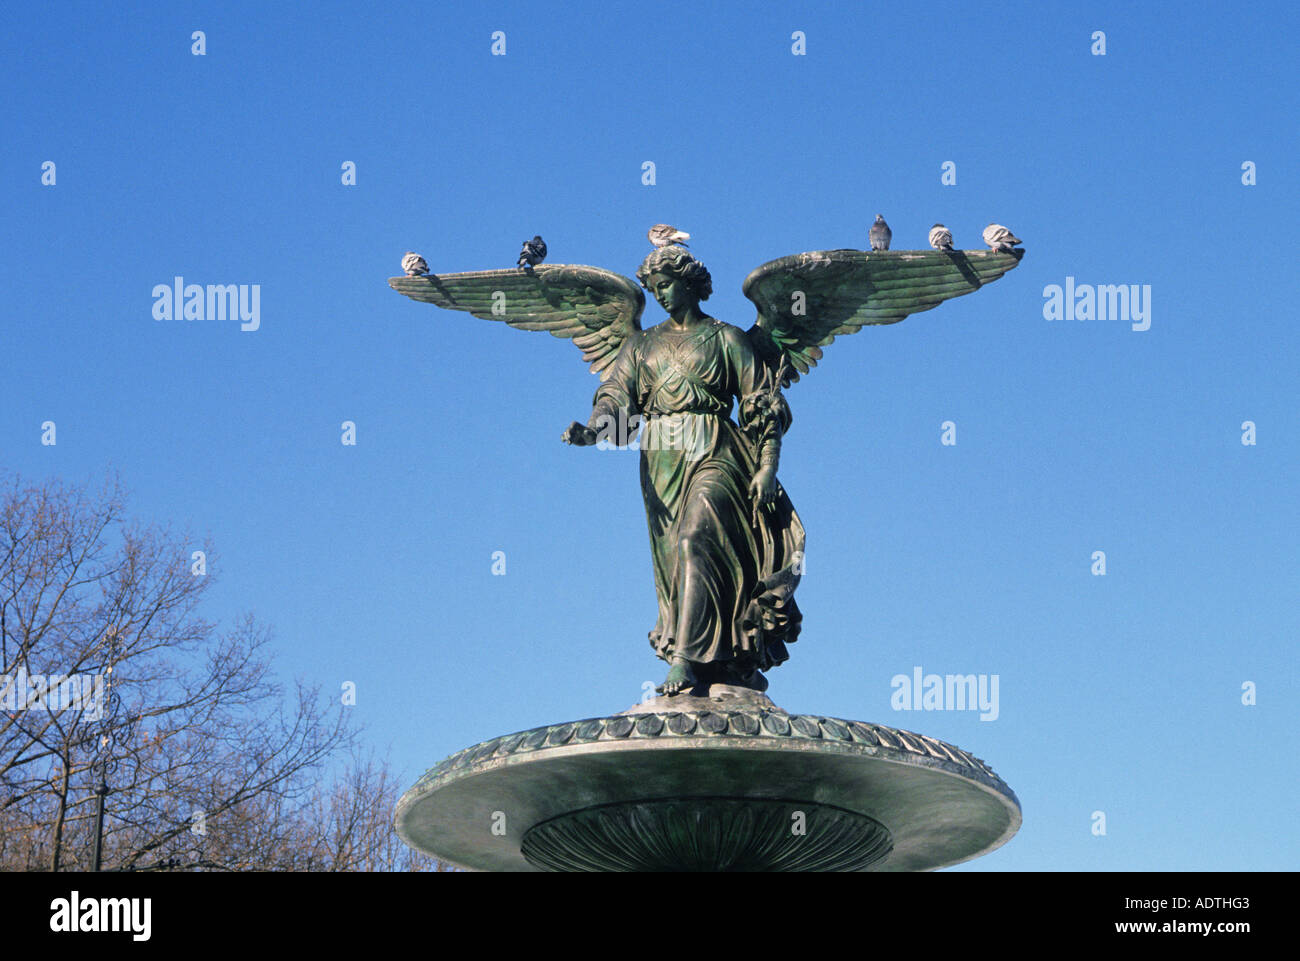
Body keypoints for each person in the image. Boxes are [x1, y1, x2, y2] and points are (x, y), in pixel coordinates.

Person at [562, 245, 805, 695]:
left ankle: (685, 660)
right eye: (654, 288)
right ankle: (720, 655)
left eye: (667, 285)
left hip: (717, 449)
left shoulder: (726, 338)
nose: (660, 295)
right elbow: (617, 397)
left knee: (696, 538)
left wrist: (767, 466)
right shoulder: (641, 344)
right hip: (660, 457)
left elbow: (762, 405)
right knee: (676, 562)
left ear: (690, 283)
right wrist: (595, 430)